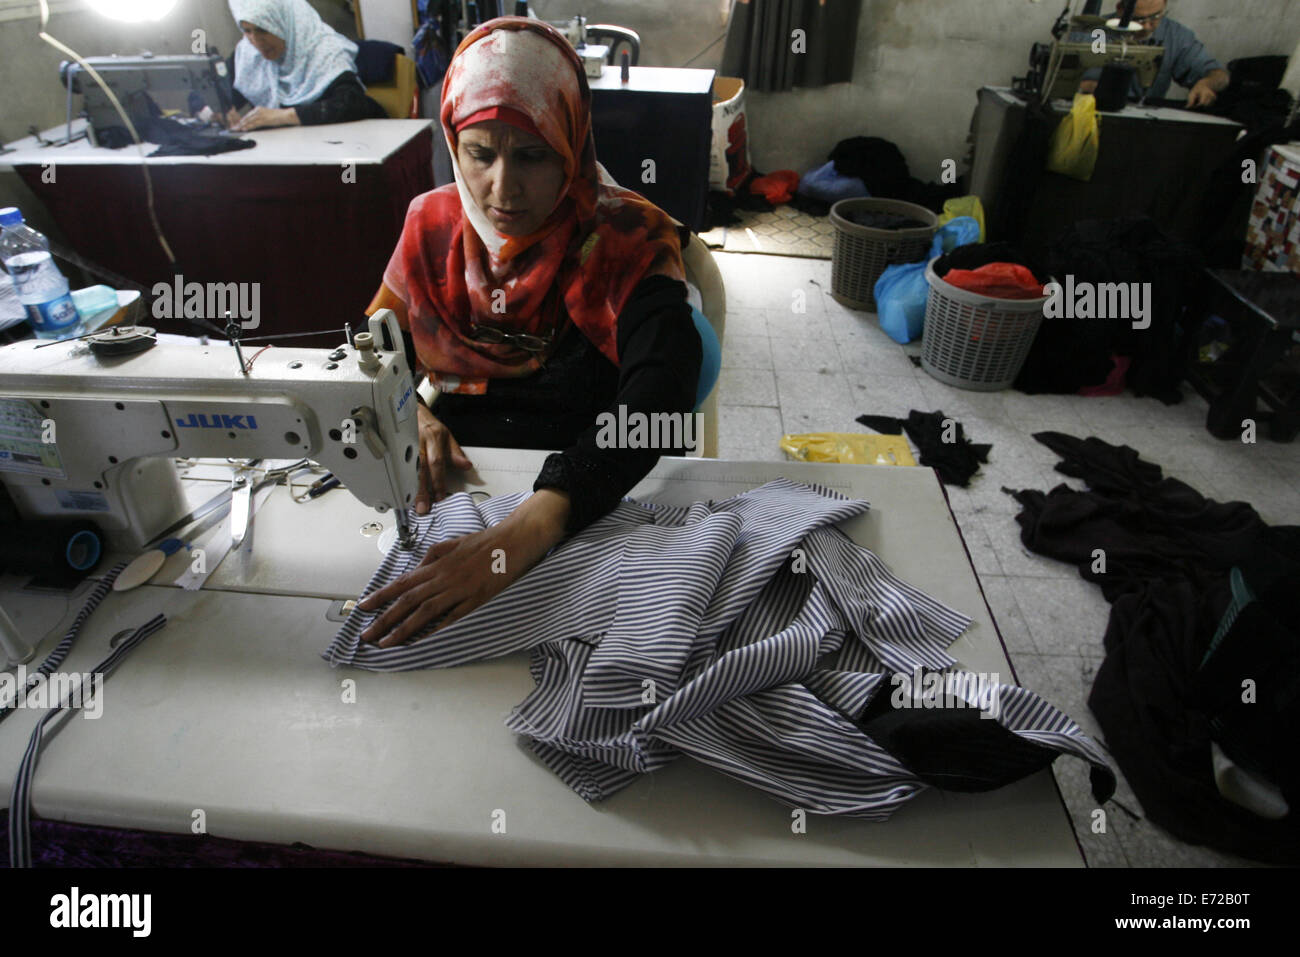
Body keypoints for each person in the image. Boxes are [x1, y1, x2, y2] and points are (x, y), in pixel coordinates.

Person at [355, 17, 708, 647]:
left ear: (570, 141)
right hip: (463, 479)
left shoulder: (626, 239)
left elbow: (661, 403)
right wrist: (412, 412)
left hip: (593, 485)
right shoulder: (430, 227)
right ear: (453, 143)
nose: (502, 189)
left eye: (532, 155)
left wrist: (532, 527)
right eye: (479, 154)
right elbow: (373, 353)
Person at [225, 0, 386, 130]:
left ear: (284, 22)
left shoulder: (324, 49)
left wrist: (283, 116)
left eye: (263, 29)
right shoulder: (248, 53)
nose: (256, 41)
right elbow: (226, 92)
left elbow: (351, 103)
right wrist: (223, 111)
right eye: (247, 31)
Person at [1078, 0, 1229, 108]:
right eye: (1139, 19)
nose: (1147, 26)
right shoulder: (1097, 32)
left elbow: (1219, 75)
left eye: (1155, 17)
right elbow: (1082, 79)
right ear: (1120, 10)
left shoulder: (1175, 35)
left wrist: (1206, 83)